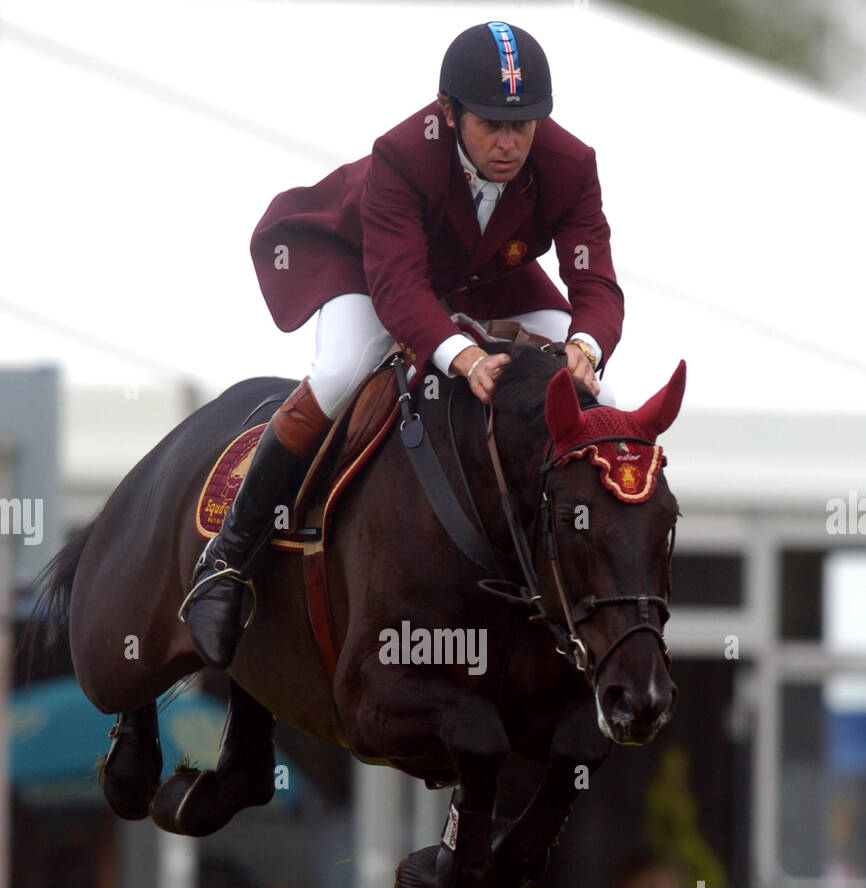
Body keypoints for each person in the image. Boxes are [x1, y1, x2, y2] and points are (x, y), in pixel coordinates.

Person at [181, 20, 624, 669]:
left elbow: (596, 278)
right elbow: (399, 289)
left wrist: (585, 344)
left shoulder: (571, 162)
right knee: (341, 371)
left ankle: (578, 577)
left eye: (523, 126)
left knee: (601, 394)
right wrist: (462, 354)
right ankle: (227, 558)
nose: (509, 144)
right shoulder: (402, 154)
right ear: (447, 113)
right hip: (367, 263)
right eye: (490, 125)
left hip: (483, 274)